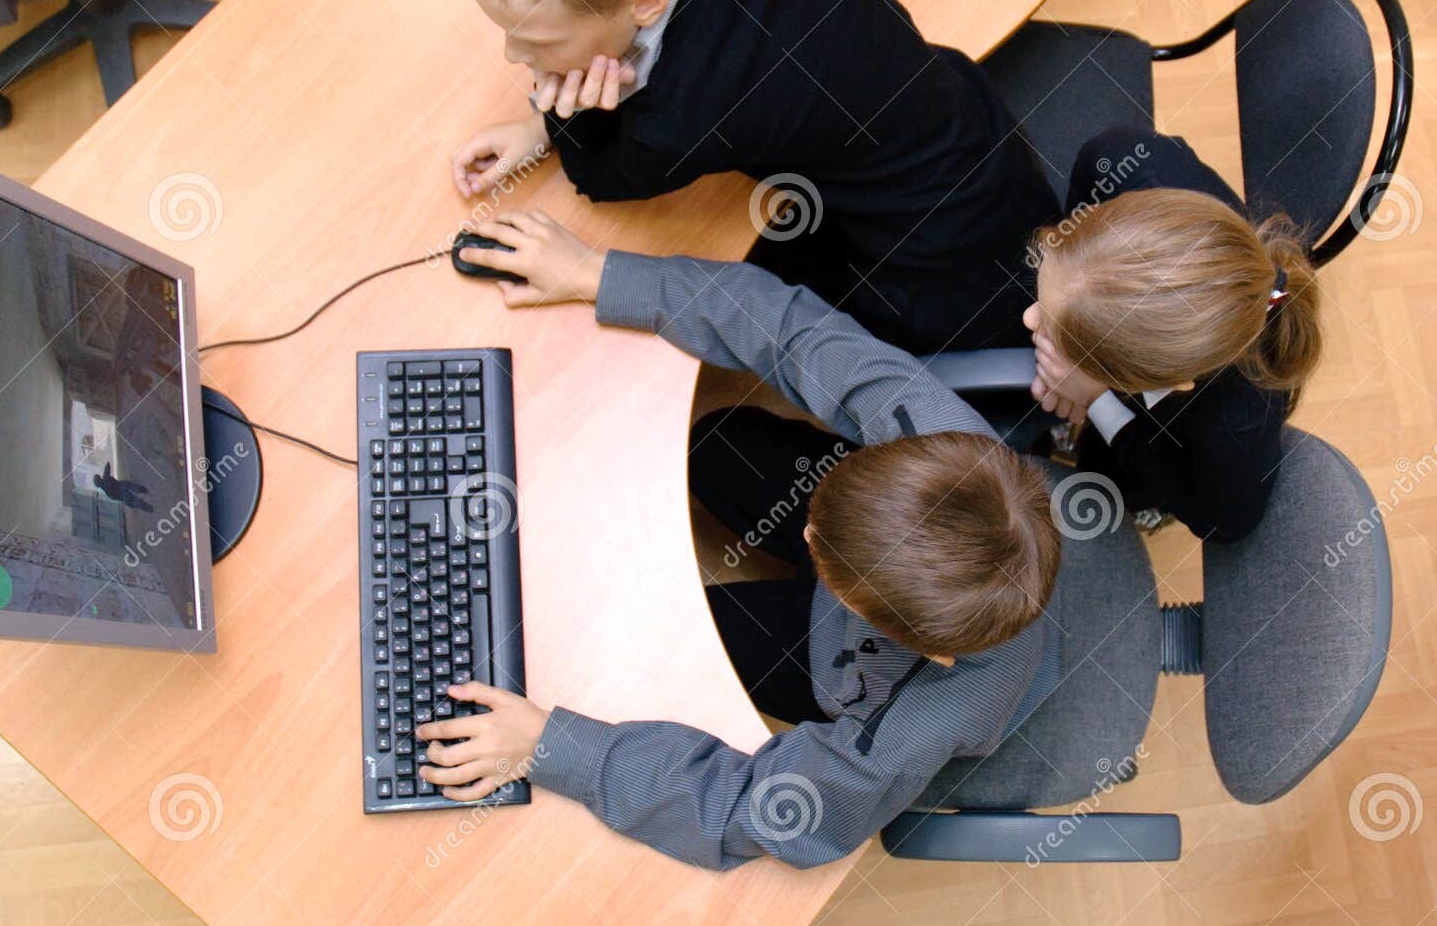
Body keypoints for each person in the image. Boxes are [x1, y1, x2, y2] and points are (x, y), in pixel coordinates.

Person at [414, 211, 1062, 870]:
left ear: (869, 610)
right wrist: (596, 273)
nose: (807, 529)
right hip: (908, 579)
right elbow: (792, 328)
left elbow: (751, 812)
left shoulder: (916, 725)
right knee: (715, 443)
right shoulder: (937, 437)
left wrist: (548, 749)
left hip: (857, 671)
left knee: (678, 634)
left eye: (821, 546)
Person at [447, 0, 1056, 354]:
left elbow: (600, 178)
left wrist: (568, 116)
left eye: (539, 43)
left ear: (648, 3)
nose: (511, 54)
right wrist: (538, 123)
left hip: (930, 275)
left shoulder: (679, 119)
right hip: (974, 123)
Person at [1023, 127, 1324, 541]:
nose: (1029, 317)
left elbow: (1221, 522)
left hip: (1166, 445)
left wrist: (1096, 402)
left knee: (1122, 476)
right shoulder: (1125, 161)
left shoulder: (1233, 428)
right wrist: (1072, 308)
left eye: (1053, 327)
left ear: (1157, 382)